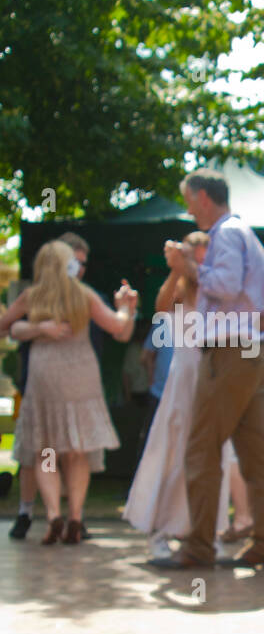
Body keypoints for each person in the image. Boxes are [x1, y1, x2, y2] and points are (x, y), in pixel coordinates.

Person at [149, 168, 264, 570]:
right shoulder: (245, 233)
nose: (188, 209)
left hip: (229, 353)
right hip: (252, 353)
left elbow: (223, 285)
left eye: (189, 200)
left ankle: (198, 548)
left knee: (201, 448)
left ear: (203, 197)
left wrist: (184, 265)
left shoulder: (226, 234)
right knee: (257, 455)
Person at [1, 240, 137, 543]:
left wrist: (33, 329)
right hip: (81, 377)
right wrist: (125, 309)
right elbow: (118, 327)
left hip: (44, 377)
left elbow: (3, 326)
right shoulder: (84, 295)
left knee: (45, 450)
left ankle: (53, 514)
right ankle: (75, 516)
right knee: (77, 452)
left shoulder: (31, 297)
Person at [124, 231, 241, 561]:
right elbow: (161, 309)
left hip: (214, 377)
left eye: (205, 250)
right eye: (197, 250)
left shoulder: (219, 284)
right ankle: (160, 531)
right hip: (183, 379)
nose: (202, 255)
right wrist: (176, 269)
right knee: (172, 453)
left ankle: (206, 534)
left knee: (214, 457)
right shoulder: (180, 285)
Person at [3, 231, 94, 540]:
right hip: (37, 382)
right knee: (37, 451)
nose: (79, 269)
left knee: (63, 452)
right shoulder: (34, 294)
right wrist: (34, 329)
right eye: (74, 262)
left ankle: (68, 516)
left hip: (70, 384)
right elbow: (9, 326)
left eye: (82, 263)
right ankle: (29, 512)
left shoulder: (83, 294)